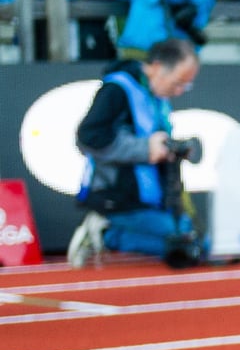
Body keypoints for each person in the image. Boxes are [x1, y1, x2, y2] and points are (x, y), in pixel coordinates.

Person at [67, 36, 205, 268]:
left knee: (196, 242)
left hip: (150, 197)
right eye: (178, 83)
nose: (180, 91)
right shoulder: (118, 90)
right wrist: (144, 149)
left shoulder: (156, 97)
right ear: (158, 68)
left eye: (186, 85)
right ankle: (105, 234)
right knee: (183, 247)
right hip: (117, 196)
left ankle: (119, 235)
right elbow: (88, 138)